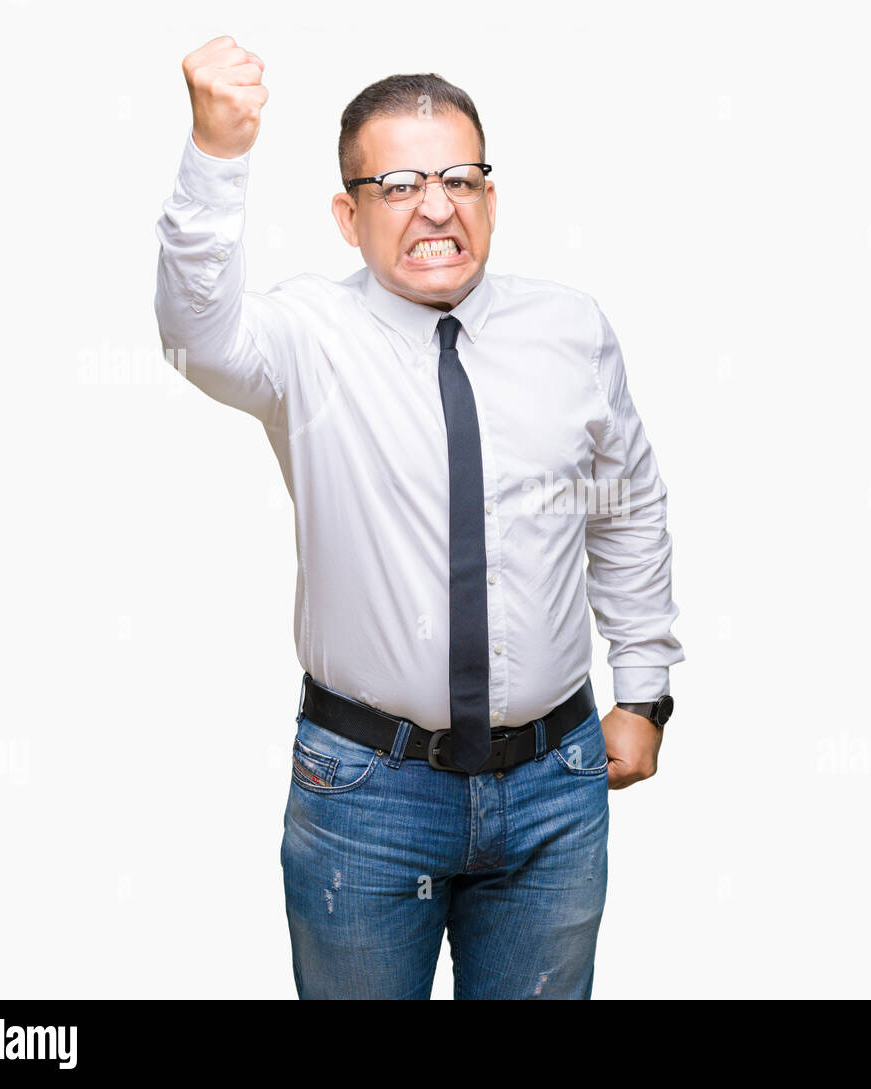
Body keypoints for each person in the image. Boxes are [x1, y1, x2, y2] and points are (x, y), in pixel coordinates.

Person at [153, 35, 685, 999]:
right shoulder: (304, 339)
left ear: (491, 196)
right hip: (368, 792)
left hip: (556, 789)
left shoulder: (570, 330)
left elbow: (625, 508)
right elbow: (194, 335)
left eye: (462, 177)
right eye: (398, 184)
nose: (437, 205)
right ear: (346, 217)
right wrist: (215, 154)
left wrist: (643, 691)